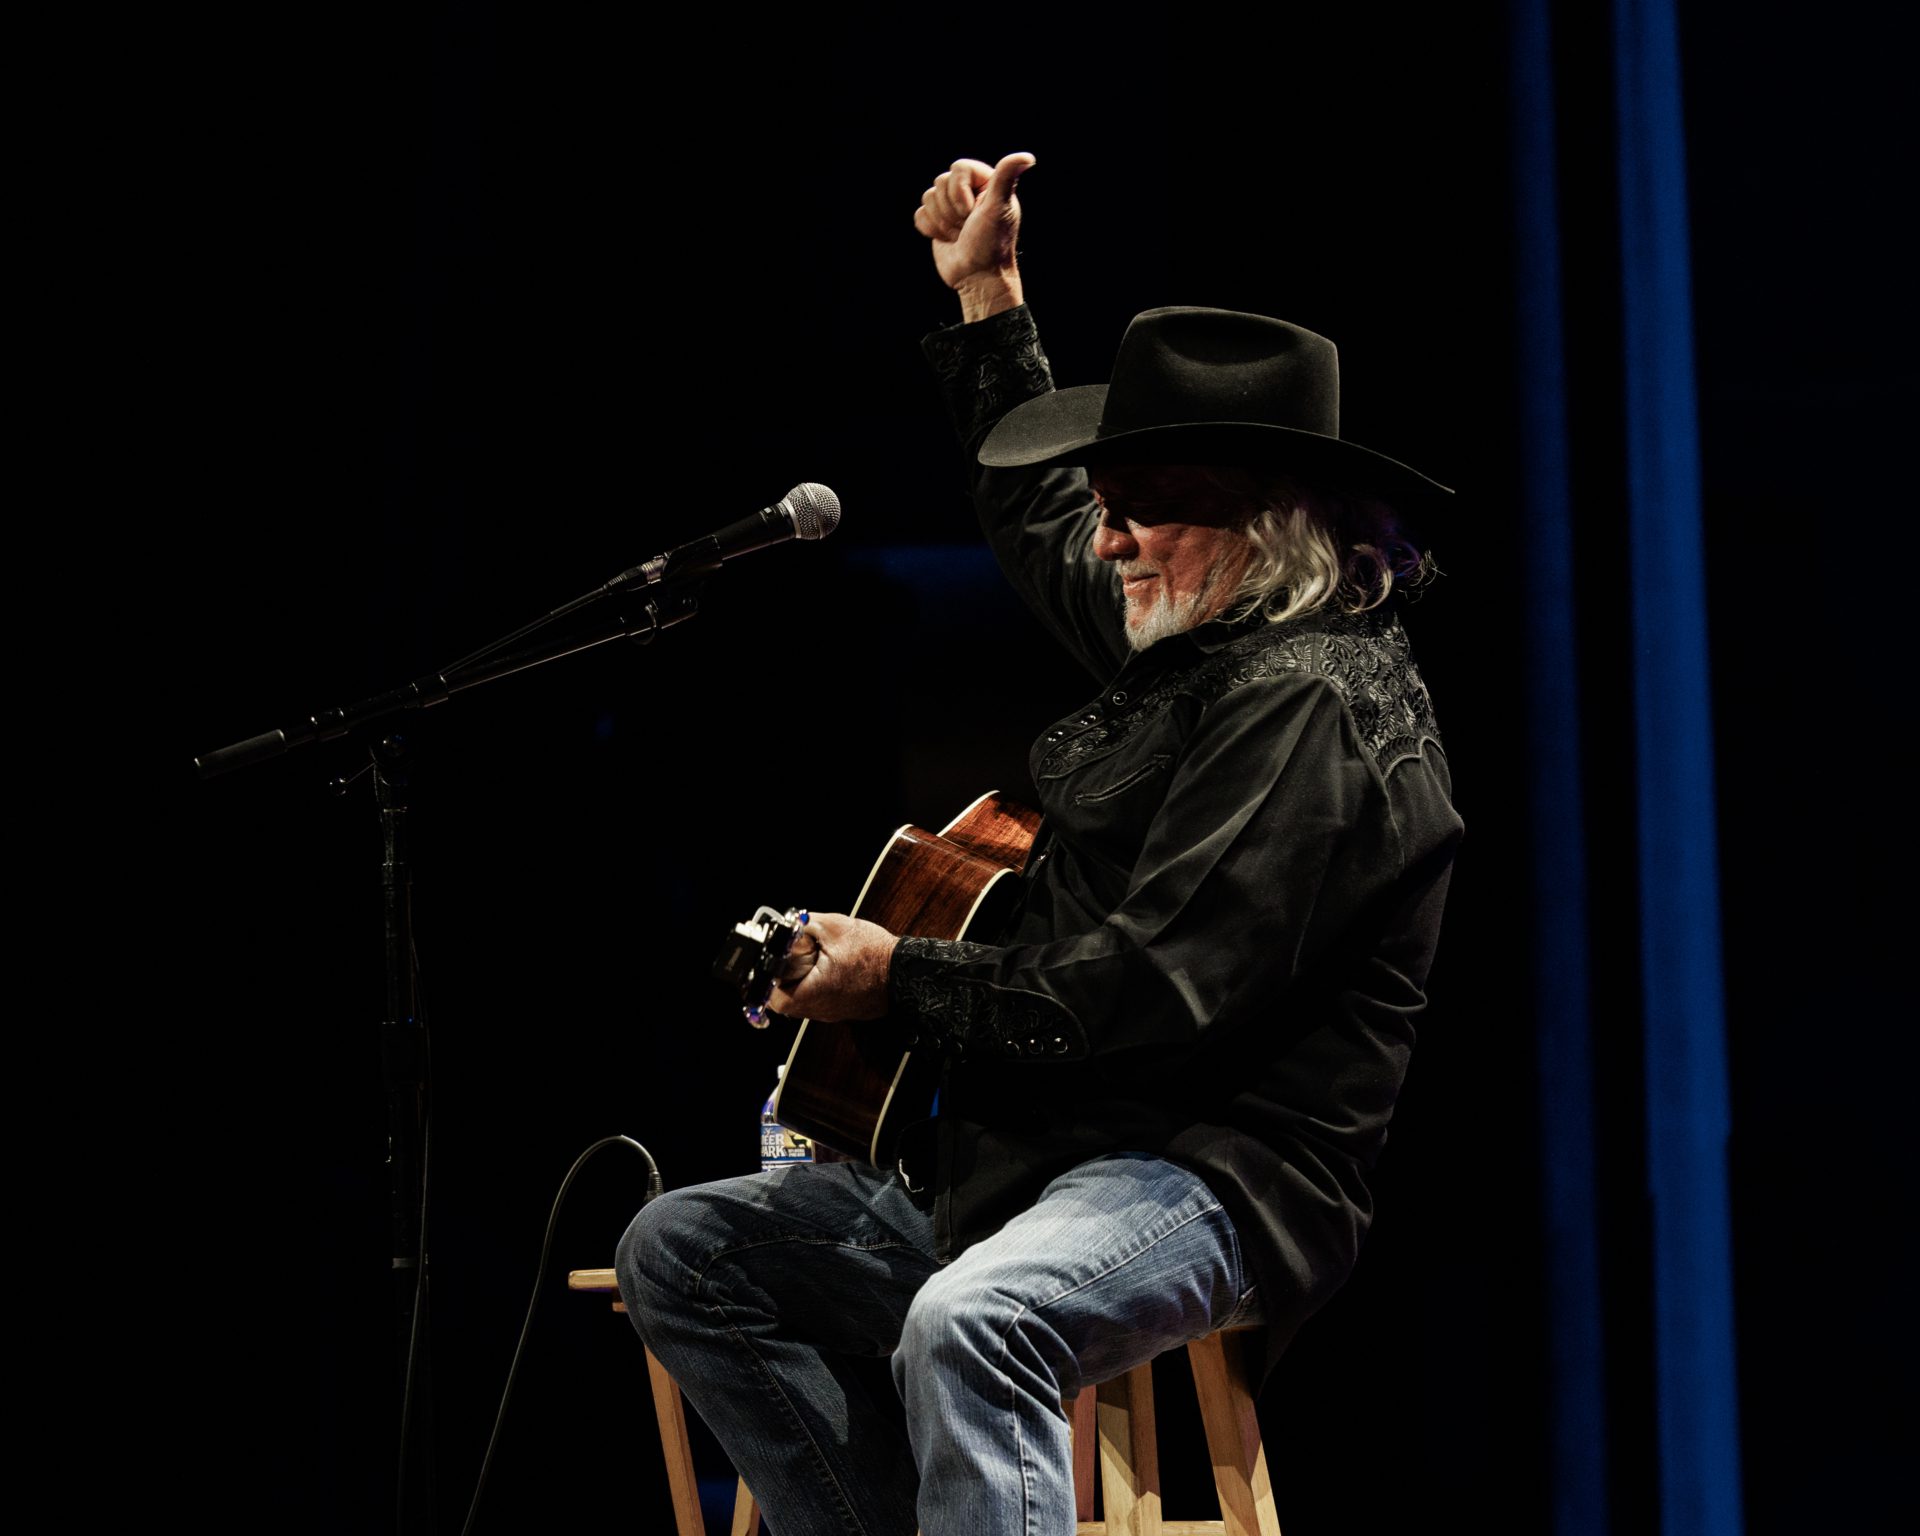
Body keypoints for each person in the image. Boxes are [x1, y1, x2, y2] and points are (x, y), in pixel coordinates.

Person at [616, 151, 1462, 1536]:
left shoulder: (1312, 708)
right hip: (1048, 1147)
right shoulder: (1202, 626)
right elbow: (1048, 520)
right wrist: (990, 303)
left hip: (1212, 1171)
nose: (1111, 537)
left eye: (1144, 505)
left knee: (976, 1317)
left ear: (1263, 518)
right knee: (686, 1252)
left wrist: (901, 978)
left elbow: (1149, 992)